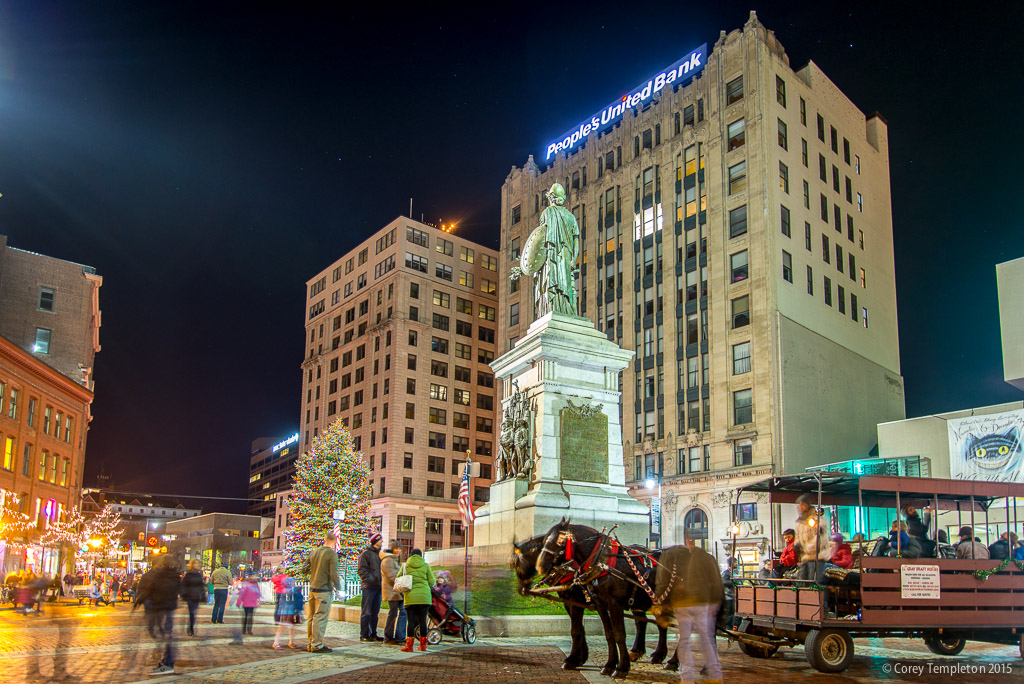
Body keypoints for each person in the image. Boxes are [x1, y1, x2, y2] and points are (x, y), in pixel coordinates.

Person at [653, 531, 724, 684]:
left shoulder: (671, 556)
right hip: (703, 603)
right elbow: (717, 582)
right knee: (706, 640)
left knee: (684, 642)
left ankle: (687, 678)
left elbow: (662, 582)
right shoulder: (706, 557)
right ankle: (715, 676)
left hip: (683, 604)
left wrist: (660, 606)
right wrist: (715, 602)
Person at [133, 555, 182, 676]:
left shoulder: (160, 575)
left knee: (162, 634)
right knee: (166, 634)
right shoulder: (176, 575)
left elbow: (150, 589)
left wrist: (140, 600)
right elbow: (178, 590)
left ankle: (167, 662)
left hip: (160, 607)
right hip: (169, 607)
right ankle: (167, 661)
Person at [304, 530, 342, 653]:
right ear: (334, 542)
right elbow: (333, 574)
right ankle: (317, 644)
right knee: (320, 617)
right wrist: (339, 589)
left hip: (313, 589)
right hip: (324, 589)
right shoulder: (331, 554)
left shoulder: (315, 551)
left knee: (311, 617)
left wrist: (313, 576)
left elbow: (305, 568)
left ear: (324, 540)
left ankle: (311, 642)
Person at [398, 549, 435, 652]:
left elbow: (398, 578)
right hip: (424, 597)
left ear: (411, 555)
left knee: (410, 621)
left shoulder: (405, 566)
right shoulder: (426, 566)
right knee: (422, 621)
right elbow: (432, 582)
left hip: (410, 597)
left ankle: (409, 646)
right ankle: (423, 646)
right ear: (421, 556)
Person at [794, 493, 830, 581]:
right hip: (805, 557)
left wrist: (807, 548)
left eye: (801, 504)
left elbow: (820, 539)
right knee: (803, 581)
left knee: (814, 581)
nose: (799, 507)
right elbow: (797, 537)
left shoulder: (817, 520)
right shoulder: (799, 523)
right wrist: (797, 546)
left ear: (806, 505)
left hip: (818, 557)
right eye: (798, 505)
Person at [357, 532, 384, 642]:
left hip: (378, 587)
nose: (382, 541)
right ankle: (364, 634)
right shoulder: (366, 554)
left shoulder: (380, 554)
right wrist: (371, 579)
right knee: (367, 612)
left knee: (375, 612)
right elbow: (362, 570)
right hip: (369, 587)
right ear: (375, 541)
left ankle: (373, 633)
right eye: (380, 540)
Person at [379, 540, 407, 645]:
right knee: (393, 613)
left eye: (400, 549)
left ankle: (400, 636)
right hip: (392, 591)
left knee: (403, 612)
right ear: (392, 549)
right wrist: (401, 582)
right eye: (396, 548)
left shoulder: (395, 559)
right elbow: (391, 577)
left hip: (398, 591)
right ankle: (388, 636)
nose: (398, 551)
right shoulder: (388, 560)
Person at [272, 570, 299, 649]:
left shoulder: (287, 591)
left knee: (291, 627)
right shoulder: (288, 592)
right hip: (286, 612)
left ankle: (291, 642)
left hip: (289, 612)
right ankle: (276, 643)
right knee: (282, 627)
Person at [180, 561, 207, 637]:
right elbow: (184, 585)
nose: (197, 565)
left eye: (198, 563)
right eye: (195, 563)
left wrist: (203, 594)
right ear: (192, 565)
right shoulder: (188, 575)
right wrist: (184, 594)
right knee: (192, 613)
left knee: (193, 613)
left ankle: (190, 627)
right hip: (190, 596)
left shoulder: (199, 575)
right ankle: (191, 629)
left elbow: (201, 586)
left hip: (197, 596)